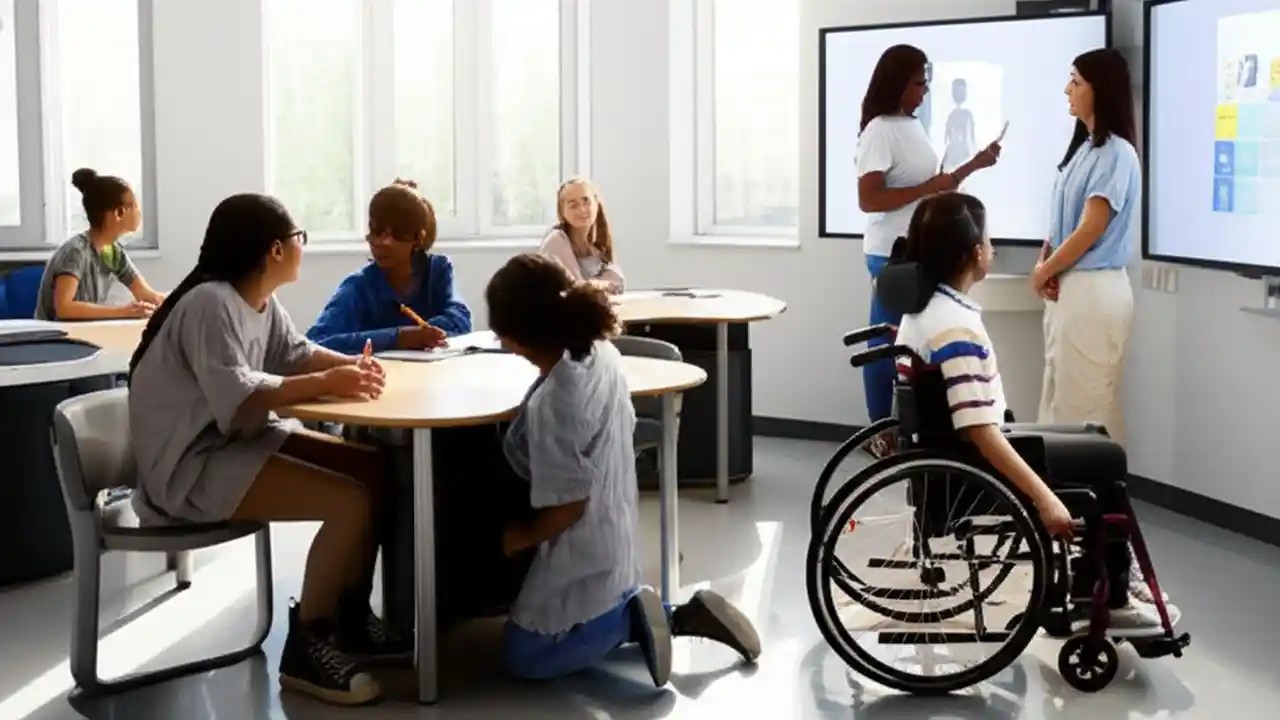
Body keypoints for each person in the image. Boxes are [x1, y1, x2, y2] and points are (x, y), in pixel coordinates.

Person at [127, 193, 407, 706]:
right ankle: (308, 646)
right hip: (191, 467)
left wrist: (350, 368)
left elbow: (293, 354)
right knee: (350, 501)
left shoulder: (257, 299)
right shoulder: (209, 304)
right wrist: (330, 380)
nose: (303, 246)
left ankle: (349, 617)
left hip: (234, 442)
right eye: (300, 238)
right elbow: (239, 395)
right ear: (275, 250)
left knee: (373, 468)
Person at [892, 192, 1176, 630]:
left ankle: (1109, 580)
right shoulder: (954, 326)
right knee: (1107, 460)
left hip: (948, 459)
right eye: (988, 240)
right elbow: (980, 433)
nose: (994, 248)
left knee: (1093, 434)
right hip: (972, 468)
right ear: (975, 254)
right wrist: (1045, 500)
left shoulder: (925, 310)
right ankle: (1112, 593)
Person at [485, 253, 760, 686]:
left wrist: (516, 538)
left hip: (585, 544)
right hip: (616, 526)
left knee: (525, 655)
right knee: (574, 607)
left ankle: (628, 621)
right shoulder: (598, 352)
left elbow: (569, 507)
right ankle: (675, 615)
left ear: (514, 339)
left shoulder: (555, 400)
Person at [855, 45, 1002, 455]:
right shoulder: (880, 129)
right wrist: (929, 188)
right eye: (919, 84)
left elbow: (934, 187)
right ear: (897, 83)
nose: (924, 92)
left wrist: (974, 165)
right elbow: (869, 199)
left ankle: (908, 430)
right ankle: (880, 433)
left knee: (910, 344)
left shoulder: (910, 125)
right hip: (892, 254)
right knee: (886, 346)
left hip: (914, 250)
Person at [307, 179, 471, 354]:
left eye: (397, 234)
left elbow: (461, 321)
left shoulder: (437, 270)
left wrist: (421, 335)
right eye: (376, 231)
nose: (382, 243)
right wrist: (398, 337)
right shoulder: (358, 286)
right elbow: (316, 343)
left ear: (418, 238)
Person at [35, 168, 166, 320]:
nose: (139, 213)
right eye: (135, 206)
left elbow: (146, 295)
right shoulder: (76, 251)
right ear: (119, 213)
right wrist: (122, 312)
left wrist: (180, 300)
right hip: (57, 337)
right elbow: (64, 308)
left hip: (83, 333)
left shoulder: (113, 252)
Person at [537, 177, 625, 294]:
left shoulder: (598, 246)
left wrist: (596, 285)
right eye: (573, 205)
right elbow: (574, 291)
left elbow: (617, 284)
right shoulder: (556, 241)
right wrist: (600, 285)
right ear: (562, 212)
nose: (582, 210)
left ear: (596, 204)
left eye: (586, 201)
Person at [940, 79, 976, 174]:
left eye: (961, 91)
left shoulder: (967, 115)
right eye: (956, 91)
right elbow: (946, 139)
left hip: (964, 155)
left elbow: (971, 138)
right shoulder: (951, 115)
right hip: (953, 156)